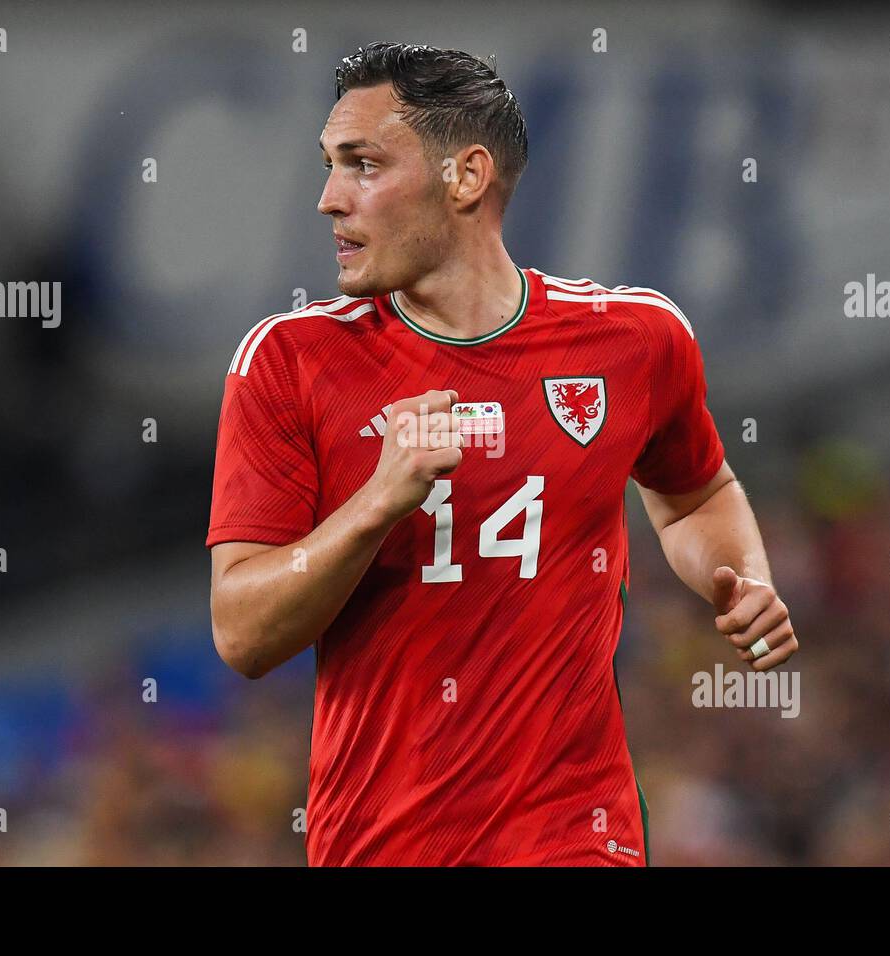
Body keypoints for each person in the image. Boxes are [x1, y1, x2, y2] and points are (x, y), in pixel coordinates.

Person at [208, 41, 798, 866]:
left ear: (467, 176)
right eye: (330, 166)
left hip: (575, 840)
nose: (328, 199)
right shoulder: (289, 362)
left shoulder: (634, 341)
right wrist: (378, 503)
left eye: (362, 165)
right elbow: (242, 634)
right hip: (379, 844)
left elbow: (695, 494)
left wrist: (745, 577)